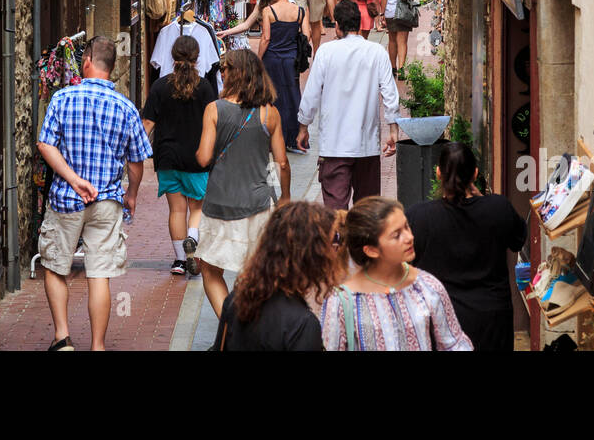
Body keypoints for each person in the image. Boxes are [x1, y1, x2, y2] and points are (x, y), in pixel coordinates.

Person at [36, 36, 152, 351]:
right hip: (107, 201)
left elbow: (45, 144)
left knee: (56, 266)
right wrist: (132, 194)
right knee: (99, 274)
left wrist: (73, 179)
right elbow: (137, 161)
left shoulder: (62, 98)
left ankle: (62, 339)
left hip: (66, 200)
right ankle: (98, 346)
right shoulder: (127, 108)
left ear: (86, 61)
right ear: (112, 68)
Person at [195, 49, 291, 316]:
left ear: (234, 73)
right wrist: (285, 198)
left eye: (224, 68)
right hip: (258, 204)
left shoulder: (214, 110)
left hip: (219, 204)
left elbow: (203, 158)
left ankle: (230, 326)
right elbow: (282, 162)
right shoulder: (269, 113)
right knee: (255, 270)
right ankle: (253, 327)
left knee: (211, 270)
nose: (221, 72)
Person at [407, 142, 528, 351]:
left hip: (440, 317)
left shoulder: (418, 216)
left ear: (438, 173)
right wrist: (484, 200)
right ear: (475, 173)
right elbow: (518, 240)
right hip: (492, 317)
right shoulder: (498, 208)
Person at [319, 196, 472, 351]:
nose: (409, 237)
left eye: (407, 227)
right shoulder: (341, 300)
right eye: (396, 234)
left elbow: (454, 343)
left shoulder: (427, 286)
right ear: (371, 250)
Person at [297, 0, 400, 211]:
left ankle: (338, 244)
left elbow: (311, 94)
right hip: (367, 145)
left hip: (334, 146)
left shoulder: (326, 52)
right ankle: (362, 245)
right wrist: (393, 129)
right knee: (368, 212)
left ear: (337, 25)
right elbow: (390, 93)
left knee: (335, 212)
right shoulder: (377, 52)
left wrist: (303, 126)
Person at [210, 201, 346, 351]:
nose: (336, 249)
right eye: (335, 239)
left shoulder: (237, 299)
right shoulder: (302, 324)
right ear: (313, 253)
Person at [140, 35, 217, 277]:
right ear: (197, 58)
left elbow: (148, 123)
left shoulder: (160, 86)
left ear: (172, 57)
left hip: (167, 157)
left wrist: (137, 152)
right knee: (197, 208)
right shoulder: (205, 87)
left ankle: (179, 261)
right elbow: (214, 121)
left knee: (176, 211)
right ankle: (192, 239)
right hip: (197, 158)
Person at [256, 0, 307, 153]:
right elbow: (305, 35)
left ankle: (273, 138)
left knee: (273, 97)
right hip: (291, 58)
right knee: (293, 96)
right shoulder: (300, 11)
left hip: (272, 59)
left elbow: (266, 38)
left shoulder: (269, 11)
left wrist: (258, 58)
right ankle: (294, 137)